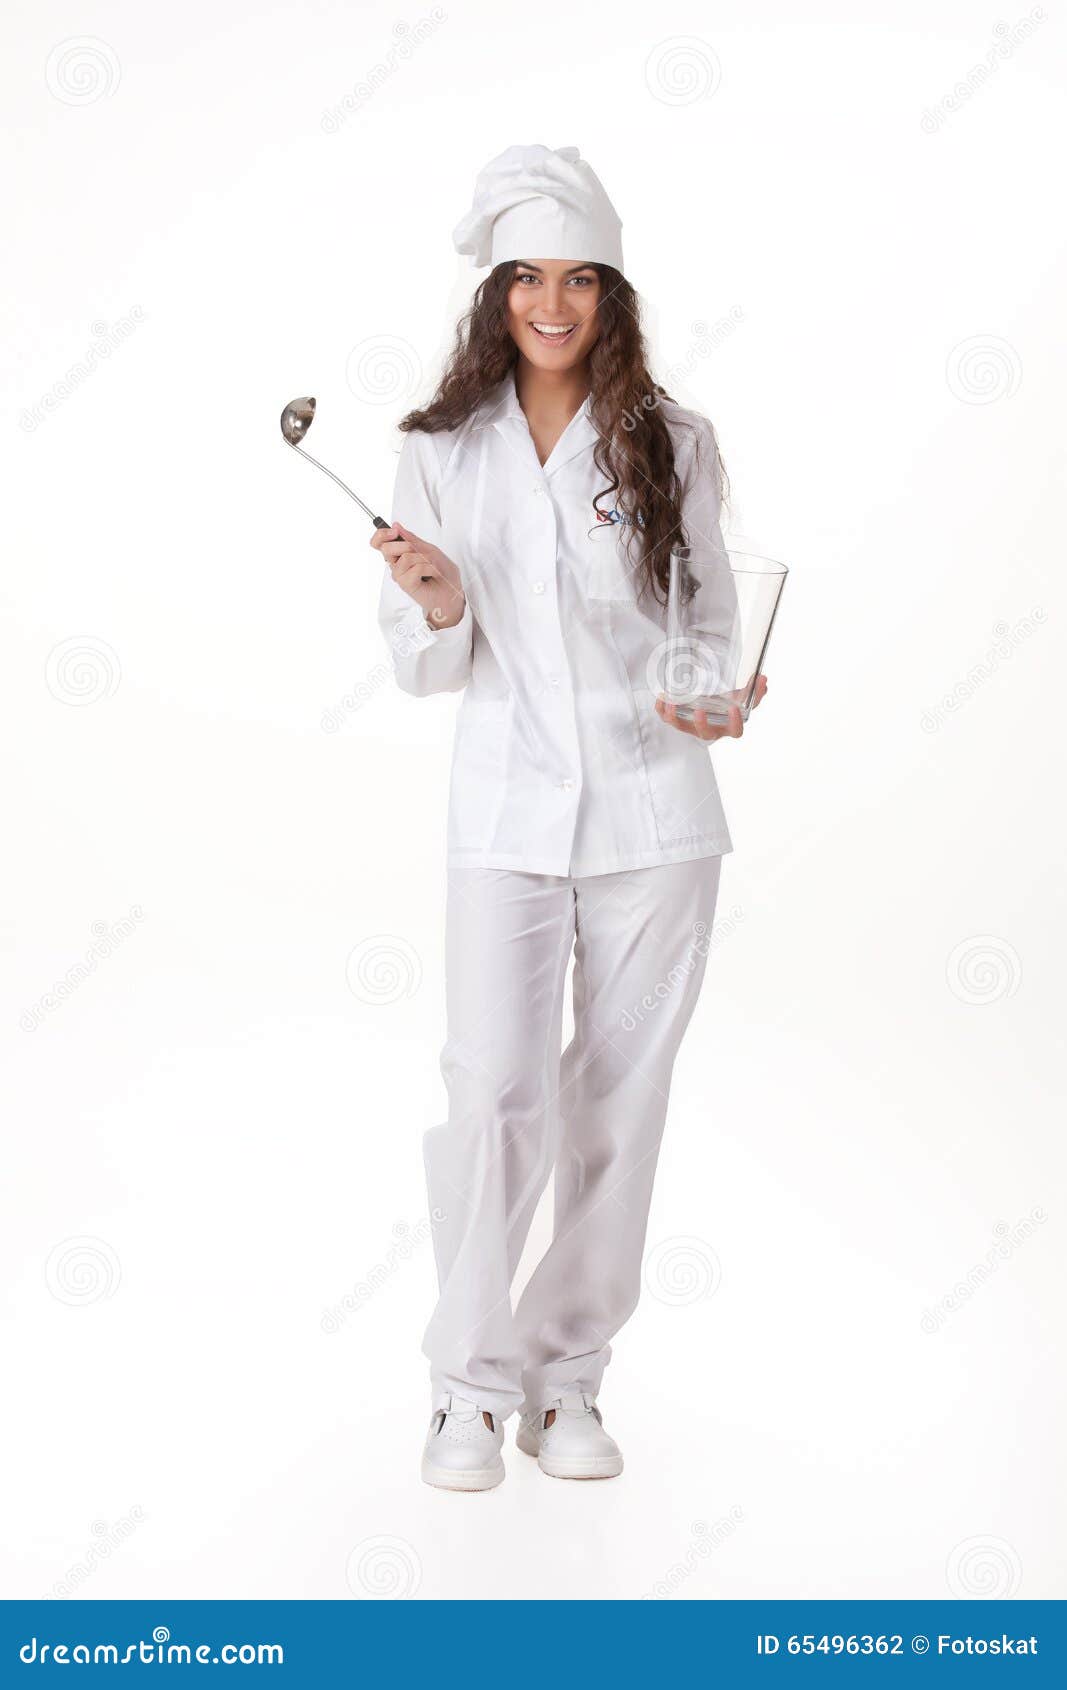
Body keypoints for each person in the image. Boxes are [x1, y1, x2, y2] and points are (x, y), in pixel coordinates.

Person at [372, 144, 767, 1491]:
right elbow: (430, 662)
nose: (552, 301)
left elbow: (705, 628)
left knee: (619, 1098)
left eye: (578, 277)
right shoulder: (436, 452)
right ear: (495, 296)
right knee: (492, 1089)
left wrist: (709, 695)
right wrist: (436, 598)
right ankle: (465, 1389)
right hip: (504, 812)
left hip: (658, 814)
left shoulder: (677, 440)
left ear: (612, 293)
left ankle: (567, 1380)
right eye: (527, 278)